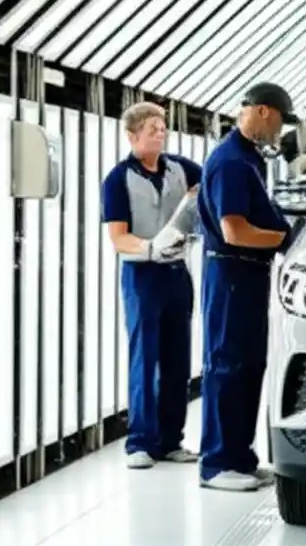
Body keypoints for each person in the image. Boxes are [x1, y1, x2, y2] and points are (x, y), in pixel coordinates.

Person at [196, 82, 300, 491]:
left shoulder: (249, 159)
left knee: (248, 365)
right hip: (231, 276)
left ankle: (240, 457)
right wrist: (287, 238)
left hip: (248, 276)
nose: (280, 131)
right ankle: (217, 463)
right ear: (262, 111)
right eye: (279, 122)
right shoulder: (232, 163)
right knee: (227, 365)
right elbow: (235, 231)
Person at [101, 102, 203, 469]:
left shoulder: (181, 168)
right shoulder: (117, 180)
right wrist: (150, 248)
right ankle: (140, 443)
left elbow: (210, 184)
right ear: (132, 135)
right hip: (142, 276)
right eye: (151, 129)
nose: (160, 134)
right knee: (144, 358)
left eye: (162, 128)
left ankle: (170, 441)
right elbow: (118, 237)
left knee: (178, 360)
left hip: (177, 274)